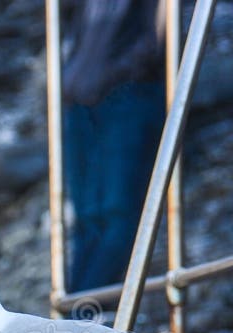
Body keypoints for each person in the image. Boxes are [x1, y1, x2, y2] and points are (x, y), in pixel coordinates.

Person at [63, 0, 167, 293]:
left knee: (117, 213)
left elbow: (159, 36)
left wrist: (126, 69)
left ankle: (85, 308)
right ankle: (76, 308)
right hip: (81, 97)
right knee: (87, 219)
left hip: (128, 90)